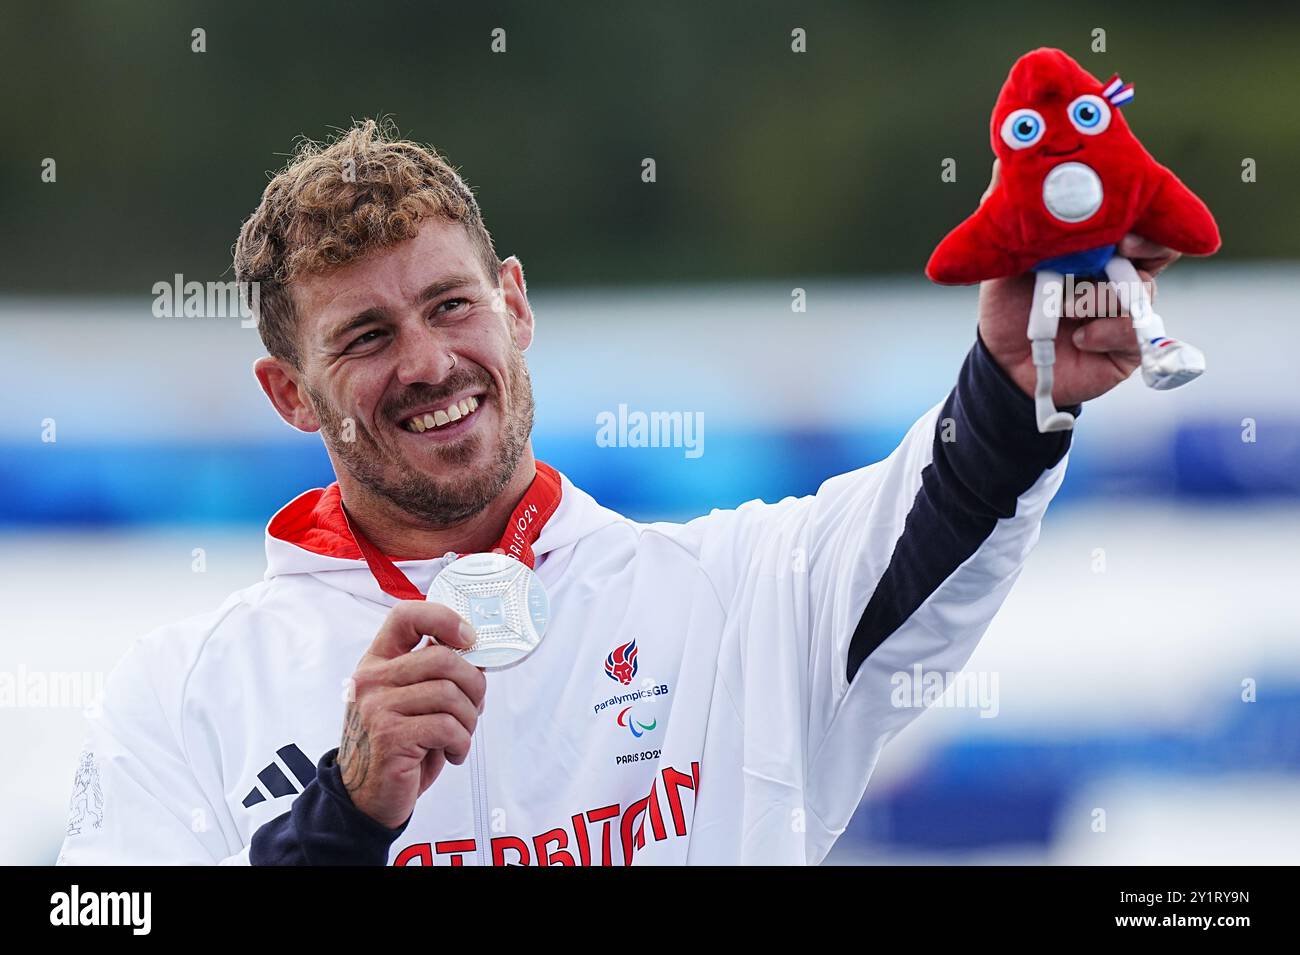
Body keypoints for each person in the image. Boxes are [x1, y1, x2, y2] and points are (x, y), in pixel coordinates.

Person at [56, 119, 1177, 865]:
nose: (430, 363)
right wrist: (340, 821)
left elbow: (930, 516)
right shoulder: (179, 695)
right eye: (365, 336)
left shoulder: (731, 597)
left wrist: (1019, 387)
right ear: (289, 396)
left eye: (451, 306)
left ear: (516, 304)